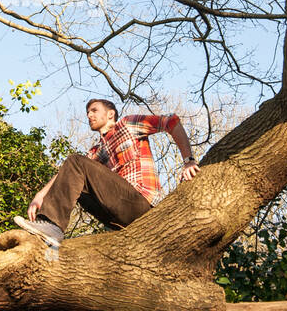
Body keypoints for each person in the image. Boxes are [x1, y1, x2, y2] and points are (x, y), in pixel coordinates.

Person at [14, 98, 200, 247]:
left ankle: (51, 226)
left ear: (110, 114)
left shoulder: (128, 124)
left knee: (75, 161)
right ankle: (48, 233)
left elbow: (170, 121)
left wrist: (188, 161)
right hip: (118, 218)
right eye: (88, 112)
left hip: (140, 204)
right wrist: (41, 195)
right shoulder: (96, 151)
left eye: (94, 110)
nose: (89, 115)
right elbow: (66, 172)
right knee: (74, 178)